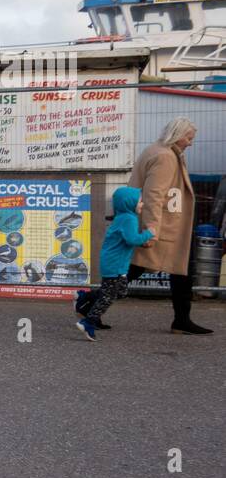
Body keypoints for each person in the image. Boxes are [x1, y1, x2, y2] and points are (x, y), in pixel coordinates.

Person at [125, 117, 212, 335]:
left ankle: (182, 320)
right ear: (177, 134)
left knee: (179, 271)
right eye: (189, 138)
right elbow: (154, 194)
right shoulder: (165, 156)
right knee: (135, 270)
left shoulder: (161, 151)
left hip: (168, 224)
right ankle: (89, 302)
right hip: (165, 226)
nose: (191, 142)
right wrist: (151, 229)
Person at [73, 187, 155, 340]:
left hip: (117, 263)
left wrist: (142, 241)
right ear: (129, 203)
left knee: (120, 292)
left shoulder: (125, 217)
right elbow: (132, 239)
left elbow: (127, 238)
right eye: (139, 201)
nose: (142, 204)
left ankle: (84, 297)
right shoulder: (129, 219)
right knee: (108, 297)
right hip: (114, 264)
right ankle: (88, 322)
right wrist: (149, 233)